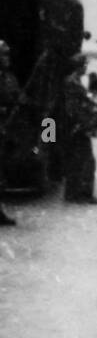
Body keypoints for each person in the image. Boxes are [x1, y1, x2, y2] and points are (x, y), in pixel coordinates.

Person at [61, 54, 97, 204]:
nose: (86, 67)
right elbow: (72, 107)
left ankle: (73, 193)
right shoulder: (72, 82)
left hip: (76, 126)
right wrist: (81, 122)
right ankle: (83, 193)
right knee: (86, 160)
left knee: (76, 160)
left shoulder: (75, 81)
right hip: (77, 127)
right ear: (79, 66)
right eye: (84, 64)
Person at [0, 40, 24, 226]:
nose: (7, 58)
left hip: (6, 128)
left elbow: (16, 96)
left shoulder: (10, 78)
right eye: (4, 54)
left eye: (8, 54)